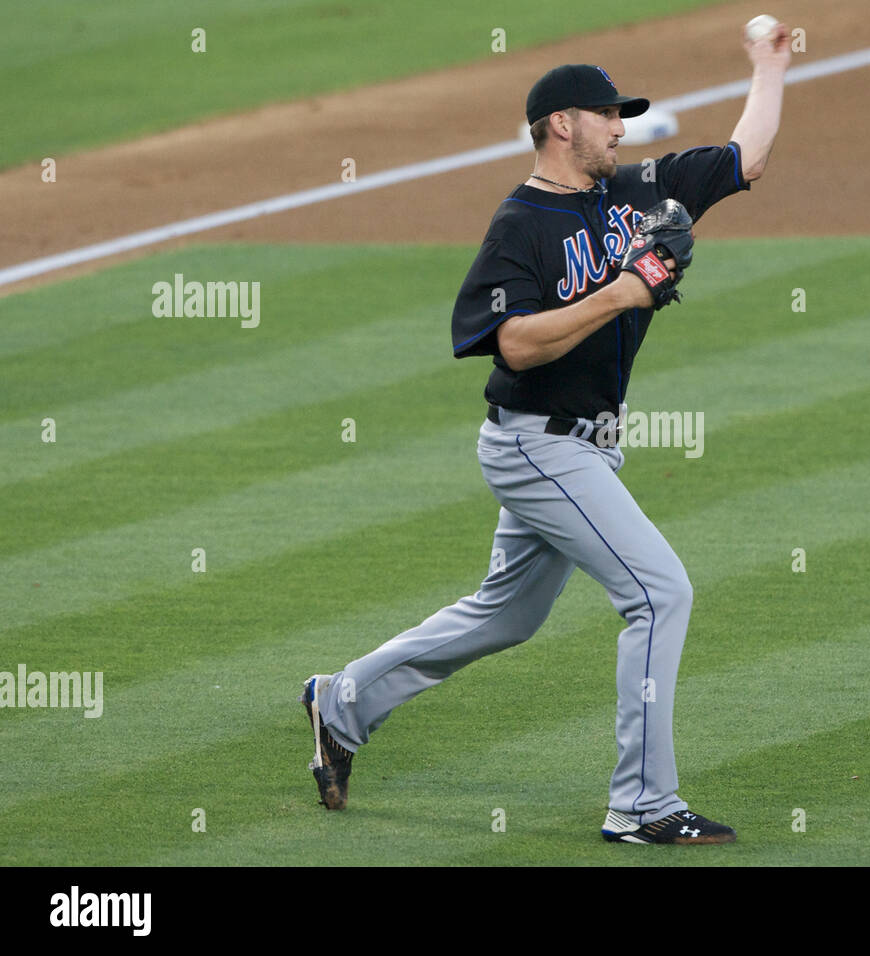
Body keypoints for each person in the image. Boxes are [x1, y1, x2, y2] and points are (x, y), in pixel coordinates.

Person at [301, 24, 791, 845]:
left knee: (507, 615)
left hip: (586, 445)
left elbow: (746, 160)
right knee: (659, 592)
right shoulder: (520, 225)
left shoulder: (637, 191)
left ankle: (340, 703)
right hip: (536, 443)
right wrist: (623, 293)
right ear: (560, 124)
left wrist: (770, 68)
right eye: (607, 114)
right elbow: (514, 342)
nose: (621, 127)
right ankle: (642, 805)